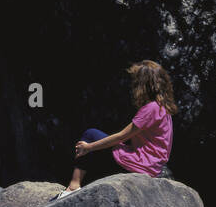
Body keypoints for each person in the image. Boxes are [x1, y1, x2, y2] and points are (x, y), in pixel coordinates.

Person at [60, 60, 176, 196]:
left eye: (135, 81)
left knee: (90, 134)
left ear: (143, 85)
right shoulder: (163, 107)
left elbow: (121, 136)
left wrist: (88, 147)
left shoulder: (150, 109)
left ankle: (72, 188)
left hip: (140, 165)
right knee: (102, 146)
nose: (133, 85)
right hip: (153, 166)